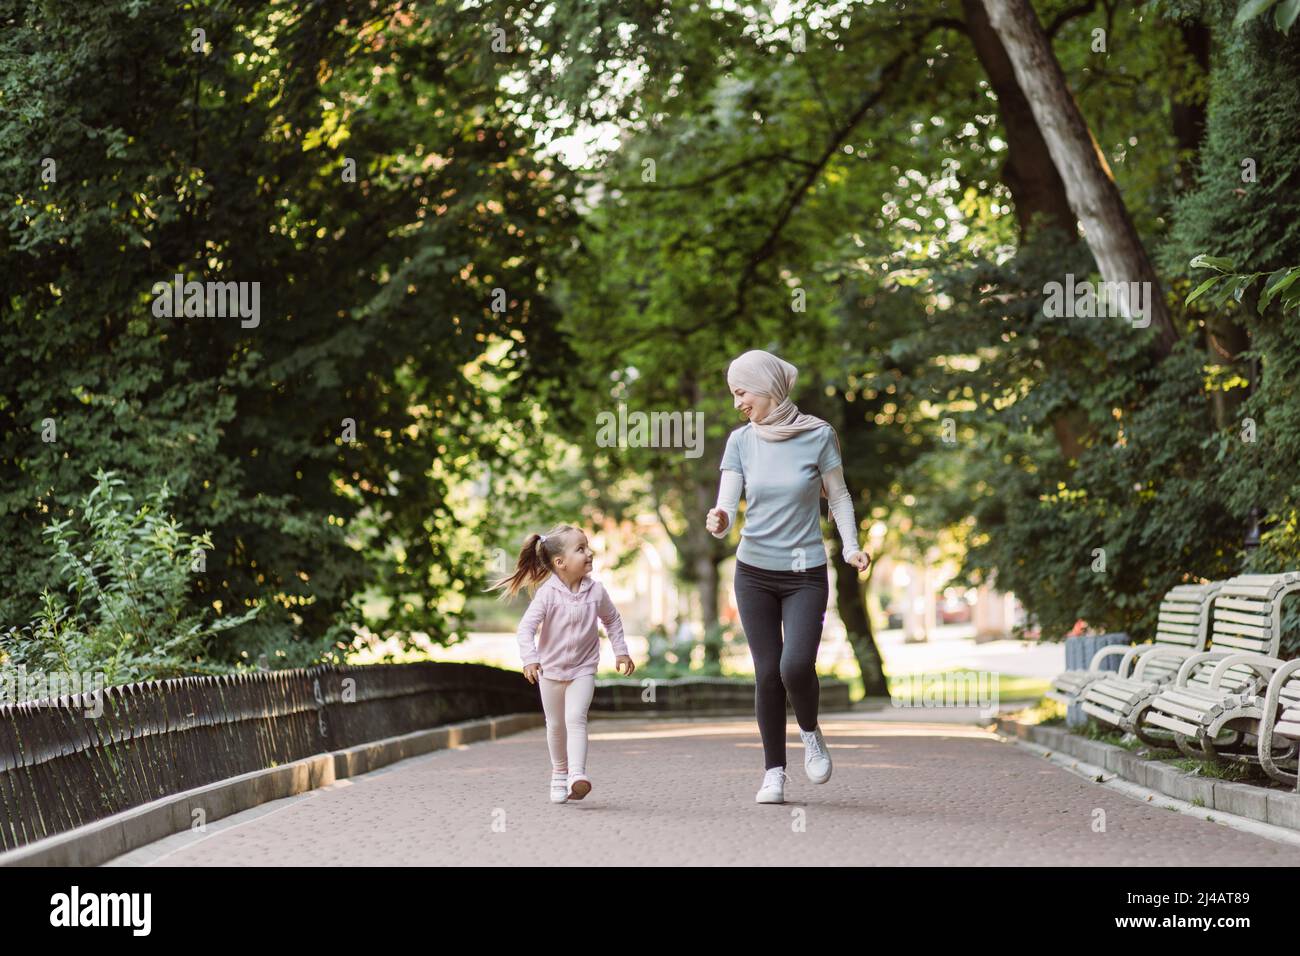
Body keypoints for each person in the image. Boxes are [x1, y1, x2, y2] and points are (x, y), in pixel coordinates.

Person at [706, 349, 870, 804]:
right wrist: (719, 518)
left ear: (767, 386)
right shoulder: (741, 441)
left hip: (805, 574)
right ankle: (773, 772)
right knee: (766, 674)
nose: (738, 402)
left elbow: (838, 497)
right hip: (753, 573)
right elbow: (727, 499)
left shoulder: (818, 435)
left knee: (794, 665)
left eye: (741, 392)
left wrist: (852, 546)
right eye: (733, 394)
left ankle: (811, 733)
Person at [488, 524, 636, 803]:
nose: (589, 553)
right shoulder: (547, 594)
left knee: (576, 719)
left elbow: (612, 620)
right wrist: (530, 659)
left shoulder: (596, 592)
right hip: (550, 671)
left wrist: (621, 651)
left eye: (588, 547)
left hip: (583, 669)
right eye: (581, 549)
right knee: (556, 724)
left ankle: (577, 776)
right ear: (560, 563)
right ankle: (559, 773)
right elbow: (525, 629)